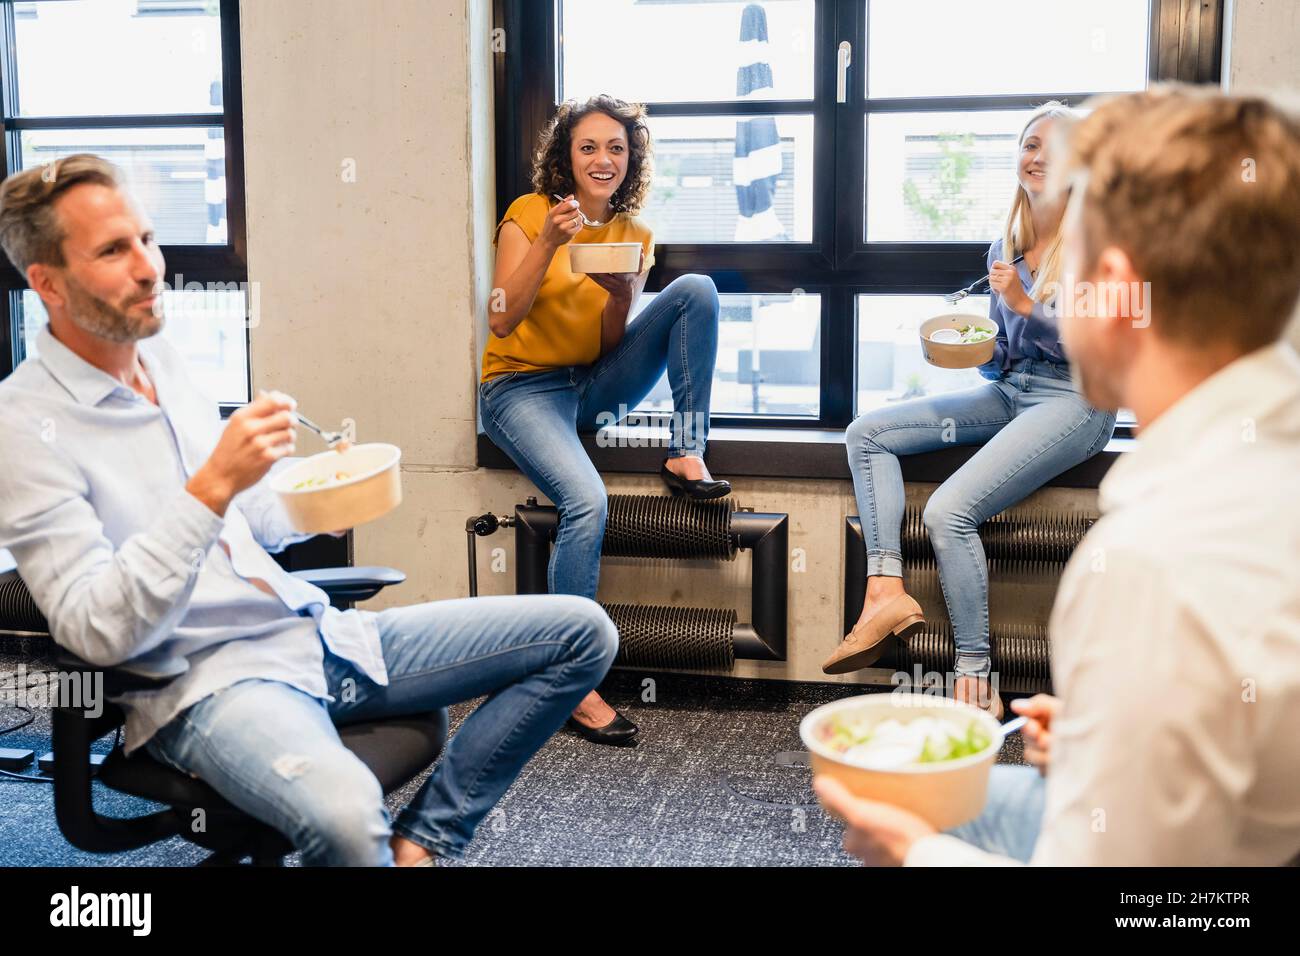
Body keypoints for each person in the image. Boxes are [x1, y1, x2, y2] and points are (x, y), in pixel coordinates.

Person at [0, 155, 620, 866]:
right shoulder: (21, 426)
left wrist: (312, 496)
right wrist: (211, 487)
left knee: (582, 632)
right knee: (346, 820)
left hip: (313, 632)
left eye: (146, 238)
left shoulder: (158, 357)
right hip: (208, 685)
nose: (148, 267)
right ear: (44, 281)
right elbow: (95, 630)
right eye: (113, 250)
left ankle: (423, 843)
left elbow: (248, 515)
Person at [815, 85, 1300, 866]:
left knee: (914, 805)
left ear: (1106, 283)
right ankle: (888, 592)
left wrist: (916, 852)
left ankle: (964, 696)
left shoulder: (1152, 564)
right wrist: (1095, 740)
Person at [826, 101, 1117, 718]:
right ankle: (884, 589)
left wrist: (1030, 303)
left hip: (1078, 399)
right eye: (1029, 143)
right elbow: (1004, 356)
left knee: (949, 509)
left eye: (1054, 147)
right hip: (1014, 391)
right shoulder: (1007, 243)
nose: (1036, 157)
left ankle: (975, 680)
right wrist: (969, 351)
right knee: (867, 433)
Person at [480, 94, 728, 746]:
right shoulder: (530, 214)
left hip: (588, 384)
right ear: (567, 155)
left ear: (630, 160)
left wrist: (621, 299)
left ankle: (686, 449)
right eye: (589, 146)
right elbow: (502, 316)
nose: (602, 159)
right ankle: (572, 680)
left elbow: (607, 345)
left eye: (616, 148)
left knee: (696, 291)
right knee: (587, 500)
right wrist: (547, 244)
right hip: (522, 389)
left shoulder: (632, 234)